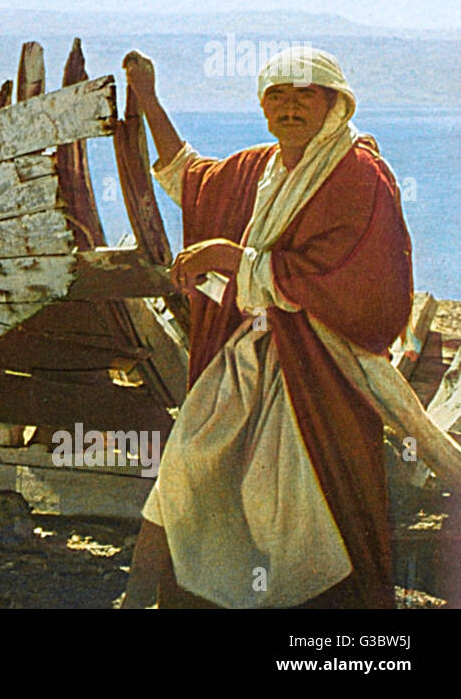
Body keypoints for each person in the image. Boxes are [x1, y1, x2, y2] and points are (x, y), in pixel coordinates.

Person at [117, 45, 459, 609]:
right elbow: (190, 178)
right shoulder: (259, 167)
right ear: (263, 106)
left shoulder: (358, 174)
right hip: (246, 360)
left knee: (302, 506)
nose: (291, 108)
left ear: (335, 104)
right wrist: (148, 97)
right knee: (185, 468)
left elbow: (365, 282)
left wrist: (237, 260)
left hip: (321, 368)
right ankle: (155, 600)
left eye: (306, 96)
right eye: (278, 96)